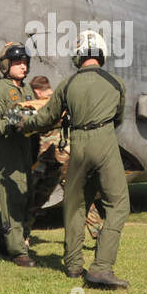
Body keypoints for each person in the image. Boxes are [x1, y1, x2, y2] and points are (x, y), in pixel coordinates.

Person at [19, 30, 130, 287]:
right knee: (118, 205)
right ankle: (101, 267)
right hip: (105, 140)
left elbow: (46, 118)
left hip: (77, 144)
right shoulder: (116, 83)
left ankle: (73, 265)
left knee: (75, 204)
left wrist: (23, 126)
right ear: (101, 54)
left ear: (78, 56)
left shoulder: (66, 85)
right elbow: (119, 119)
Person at [28, 74, 105, 239]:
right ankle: (99, 232)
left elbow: (31, 127)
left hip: (51, 160)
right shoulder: (64, 102)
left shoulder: (40, 106)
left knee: (36, 197)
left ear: (36, 91)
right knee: (80, 196)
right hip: (70, 156)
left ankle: (22, 235)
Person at [0, 41, 38, 267]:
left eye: (25, 62)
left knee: (25, 196)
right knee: (13, 197)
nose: (23, 66)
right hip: (7, 154)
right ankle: (17, 251)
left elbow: (33, 114)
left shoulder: (26, 90)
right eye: (18, 62)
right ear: (6, 65)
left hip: (24, 150)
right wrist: (14, 122)